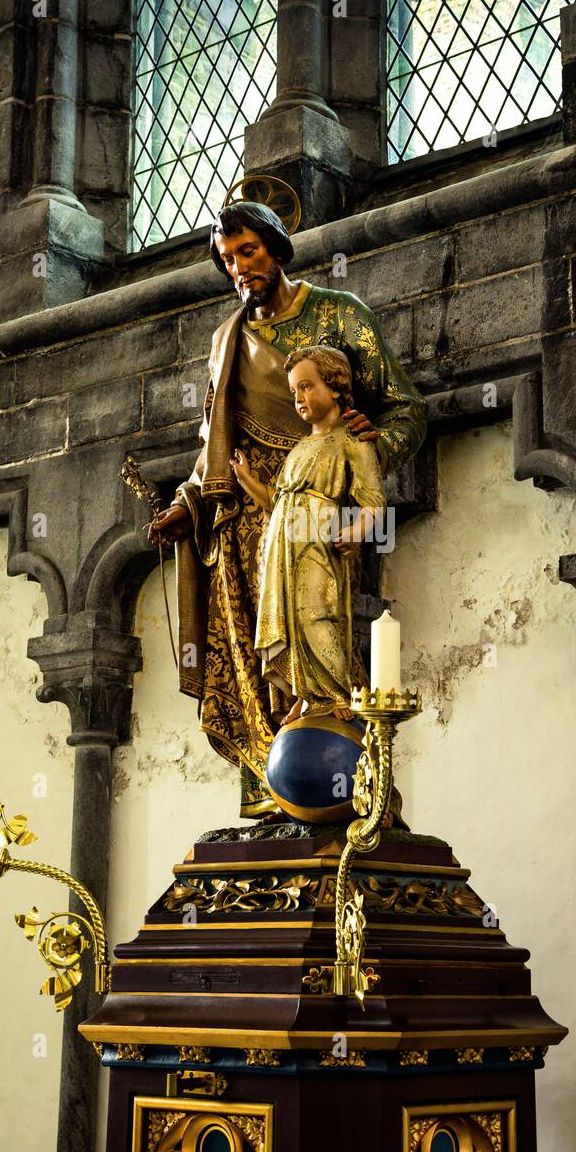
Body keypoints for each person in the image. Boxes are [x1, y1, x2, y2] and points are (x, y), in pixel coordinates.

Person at [149, 200, 427, 819]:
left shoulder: (338, 315)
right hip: (242, 517)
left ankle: (339, 789)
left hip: (313, 510)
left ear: (276, 247)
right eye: (228, 260)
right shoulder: (226, 340)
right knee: (253, 651)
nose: (240, 268)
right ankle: (270, 794)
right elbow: (212, 449)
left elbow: (406, 410)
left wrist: (367, 445)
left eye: (248, 251)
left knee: (317, 637)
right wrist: (186, 504)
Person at [229, 345, 385, 725]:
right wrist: (248, 481)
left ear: (335, 387)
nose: (299, 397)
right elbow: (276, 501)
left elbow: (374, 502)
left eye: (307, 386)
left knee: (317, 614)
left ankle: (335, 691)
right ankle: (306, 693)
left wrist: (357, 531)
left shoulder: (352, 440)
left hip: (318, 542)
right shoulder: (298, 449)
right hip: (282, 547)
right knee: (288, 619)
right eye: (294, 391)